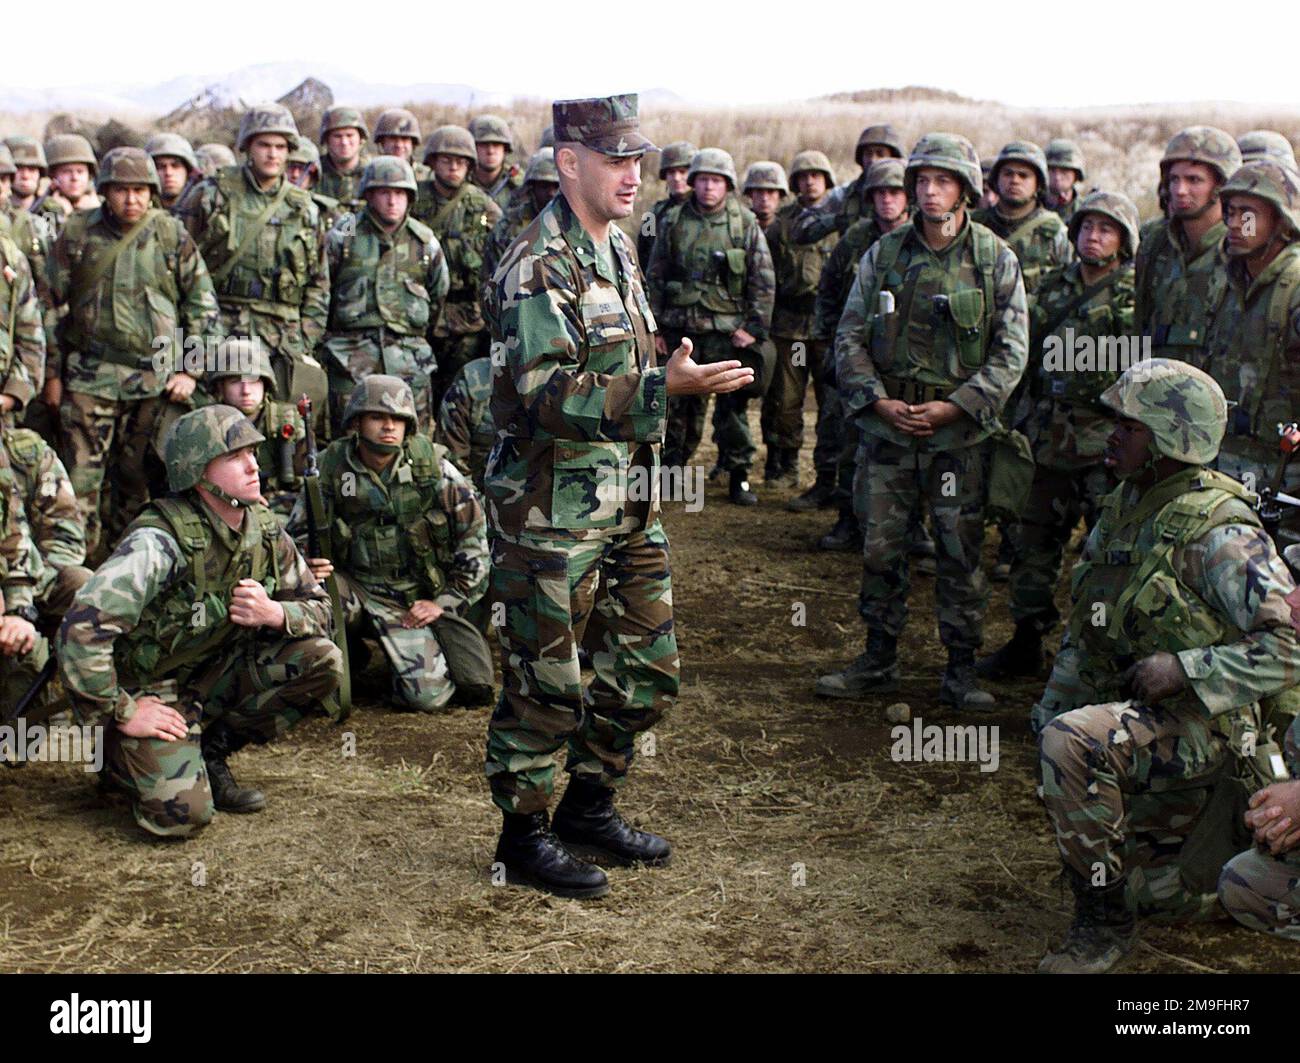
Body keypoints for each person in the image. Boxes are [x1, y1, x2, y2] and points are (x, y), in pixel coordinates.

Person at [483, 93, 754, 898]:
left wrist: (666, 368)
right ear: (570, 162)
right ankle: (521, 835)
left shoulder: (620, 250)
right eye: (616, 159)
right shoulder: (538, 262)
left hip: (627, 502)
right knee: (546, 682)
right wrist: (655, 386)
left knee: (648, 665)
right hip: (550, 511)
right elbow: (537, 392)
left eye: (639, 159)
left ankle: (588, 805)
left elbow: (618, 360)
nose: (635, 174)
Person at [1033, 360, 1300, 972]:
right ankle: (1145, 870)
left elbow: (1291, 647)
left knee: (1073, 744)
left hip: (1213, 728)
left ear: (1168, 441)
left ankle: (1102, 924)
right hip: (1157, 720)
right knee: (1060, 737)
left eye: (1129, 427)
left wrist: (1188, 668)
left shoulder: (1223, 533)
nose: (1113, 437)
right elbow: (1085, 628)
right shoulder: (1128, 505)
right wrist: (1052, 707)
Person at [814, 133, 1028, 712]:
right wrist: (877, 402)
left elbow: (1012, 351)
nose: (930, 193)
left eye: (943, 181)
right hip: (887, 433)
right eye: (922, 182)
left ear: (964, 189)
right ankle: (878, 657)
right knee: (881, 550)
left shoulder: (993, 259)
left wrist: (956, 406)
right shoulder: (882, 255)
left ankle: (960, 669)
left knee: (959, 554)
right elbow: (849, 335)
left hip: (958, 438)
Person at [59, 404, 342, 837]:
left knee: (322, 660)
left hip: (215, 673)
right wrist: (121, 709)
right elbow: (82, 626)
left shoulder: (264, 529)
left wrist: (275, 612)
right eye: (233, 457)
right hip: (153, 687)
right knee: (183, 816)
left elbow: (320, 609)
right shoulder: (160, 541)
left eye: (252, 453)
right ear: (196, 471)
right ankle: (117, 753)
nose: (253, 466)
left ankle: (211, 752)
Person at [979, 191, 1138, 680]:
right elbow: (1024, 353)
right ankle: (1028, 640)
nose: (1093, 237)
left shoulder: (1136, 296)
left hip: (1106, 447)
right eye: (1087, 227)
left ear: (1124, 241)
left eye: (1106, 229)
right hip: (1049, 439)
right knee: (1032, 545)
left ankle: (1104, 654)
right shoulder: (1051, 286)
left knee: (1111, 554)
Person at [48, 147, 219, 558]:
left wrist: (190, 370)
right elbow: (47, 305)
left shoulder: (170, 233)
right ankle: (78, 577)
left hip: (156, 379)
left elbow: (201, 304)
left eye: (140, 190)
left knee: (138, 484)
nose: (132, 199)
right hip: (91, 376)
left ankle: (130, 575)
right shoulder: (77, 232)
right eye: (121, 190)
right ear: (105, 191)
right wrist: (52, 375)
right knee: (79, 485)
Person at [289, 376, 492, 712]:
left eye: (398, 419)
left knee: (429, 699)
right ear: (356, 422)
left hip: (411, 597)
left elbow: (475, 539)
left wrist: (444, 601)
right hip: (352, 588)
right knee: (310, 594)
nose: (388, 426)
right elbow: (296, 536)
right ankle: (338, 656)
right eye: (377, 417)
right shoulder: (330, 467)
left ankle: (395, 661)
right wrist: (307, 564)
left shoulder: (433, 467)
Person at [647, 147, 775, 505]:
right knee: (675, 407)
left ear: (728, 185)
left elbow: (763, 280)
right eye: (702, 179)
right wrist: (655, 330)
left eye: (716, 181)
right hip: (680, 330)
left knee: (732, 408)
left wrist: (753, 327)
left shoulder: (744, 223)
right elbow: (655, 277)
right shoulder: (673, 220)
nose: (708, 187)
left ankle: (738, 476)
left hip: (726, 332)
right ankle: (671, 474)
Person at [321, 156, 449, 436]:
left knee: (415, 438)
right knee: (348, 437)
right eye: (385, 192)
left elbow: (439, 297)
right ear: (369, 194)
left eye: (400, 193)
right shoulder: (345, 233)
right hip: (349, 357)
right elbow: (321, 291)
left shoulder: (424, 241)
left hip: (409, 359)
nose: (393, 201)